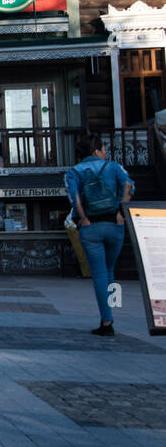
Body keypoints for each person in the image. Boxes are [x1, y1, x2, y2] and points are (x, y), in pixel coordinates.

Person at [65, 134, 135, 336]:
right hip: (115, 224)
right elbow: (129, 185)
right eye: (104, 149)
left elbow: (74, 197)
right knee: (110, 268)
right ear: (96, 151)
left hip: (91, 227)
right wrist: (121, 213)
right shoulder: (114, 167)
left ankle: (107, 321)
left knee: (99, 274)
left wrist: (84, 218)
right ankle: (115, 308)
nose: (106, 153)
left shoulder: (74, 171)